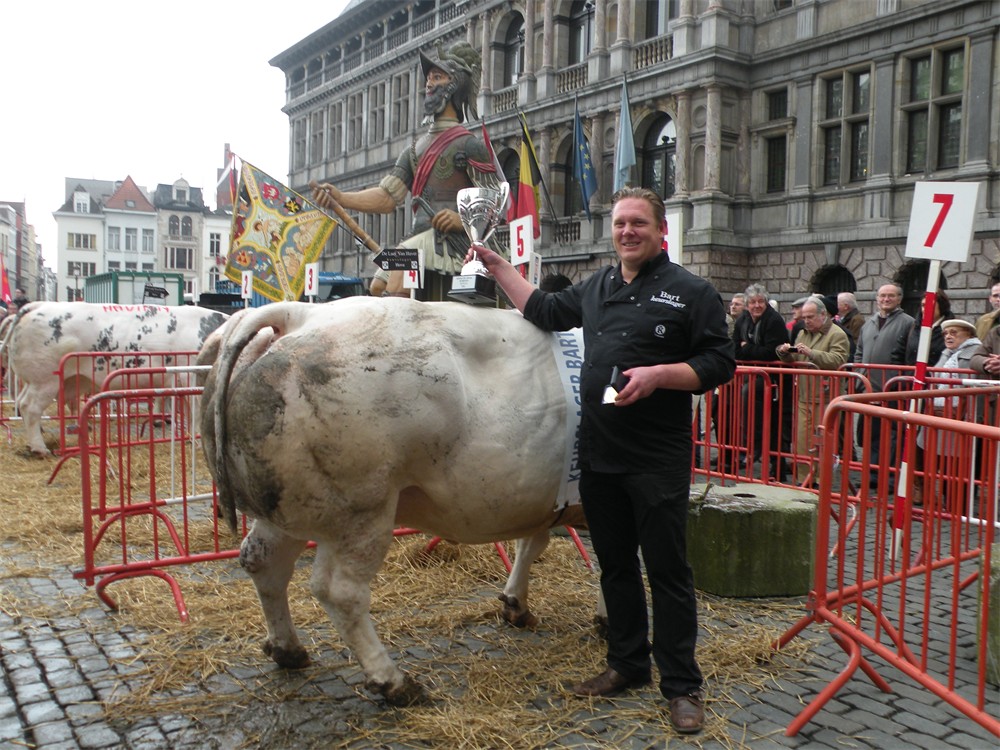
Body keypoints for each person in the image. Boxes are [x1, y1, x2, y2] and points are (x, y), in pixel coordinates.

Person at [463, 187, 735, 735]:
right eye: (619, 224)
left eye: (638, 223)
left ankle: (682, 685)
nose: (627, 231)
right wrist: (498, 268)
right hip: (602, 453)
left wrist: (662, 375)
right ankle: (627, 664)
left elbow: (718, 362)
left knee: (667, 572)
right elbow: (542, 309)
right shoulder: (598, 286)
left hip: (656, 457)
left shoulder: (691, 291)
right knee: (614, 566)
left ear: (661, 231)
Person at [311, 42, 501, 298]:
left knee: (397, 285)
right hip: (419, 238)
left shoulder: (469, 144)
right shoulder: (414, 149)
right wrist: (341, 198)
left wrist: (460, 219)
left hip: (456, 244)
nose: (429, 84)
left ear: (455, 84)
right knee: (378, 286)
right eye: (428, 78)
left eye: (437, 76)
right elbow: (387, 197)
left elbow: (494, 199)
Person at [776, 296, 850, 486]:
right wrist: (783, 352)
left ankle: (820, 480)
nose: (806, 321)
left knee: (822, 441)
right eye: (804, 317)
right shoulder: (802, 333)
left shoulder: (837, 334)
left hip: (826, 397)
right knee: (802, 441)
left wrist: (811, 353)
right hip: (804, 395)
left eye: (810, 317)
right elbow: (792, 360)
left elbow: (838, 360)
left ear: (823, 315)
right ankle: (803, 479)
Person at [913, 319, 981, 506]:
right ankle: (936, 494)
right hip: (938, 410)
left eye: (954, 332)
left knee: (957, 460)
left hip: (961, 413)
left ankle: (956, 502)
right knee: (934, 454)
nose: (949, 336)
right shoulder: (946, 353)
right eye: (946, 333)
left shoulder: (974, 352)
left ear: (968, 335)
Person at [854, 283, 915, 486]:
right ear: (877, 298)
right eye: (882, 296)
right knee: (871, 433)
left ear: (899, 299)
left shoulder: (908, 323)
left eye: (891, 296)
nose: (886, 299)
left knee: (892, 436)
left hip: (892, 388)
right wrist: (859, 374)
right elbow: (859, 352)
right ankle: (872, 474)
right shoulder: (868, 323)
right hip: (869, 388)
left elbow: (909, 355)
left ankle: (889, 477)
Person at [733, 284, 790, 481]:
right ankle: (750, 448)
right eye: (753, 302)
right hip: (754, 376)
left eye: (760, 302)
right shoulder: (743, 320)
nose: (757, 306)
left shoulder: (774, 320)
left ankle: (777, 467)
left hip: (775, 381)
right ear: (747, 305)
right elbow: (734, 349)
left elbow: (771, 351)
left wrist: (747, 347)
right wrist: (749, 349)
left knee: (777, 425)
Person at [891, 291, 950, 367]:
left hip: (936, 377)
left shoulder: (952, 329)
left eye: (930, 305)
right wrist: (900, 376)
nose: (925, 309)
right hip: (910, 377)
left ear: (941, 306)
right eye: (923, 305)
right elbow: (897, 355)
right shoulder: (912, 327)